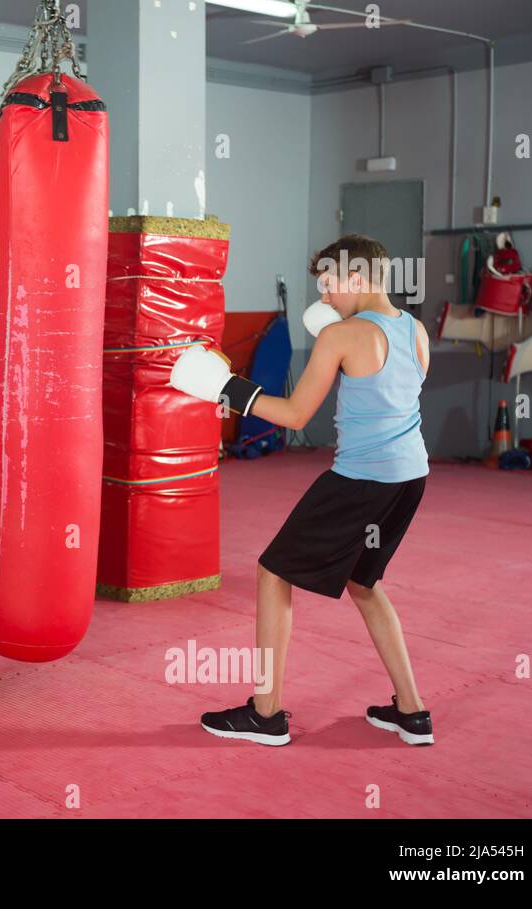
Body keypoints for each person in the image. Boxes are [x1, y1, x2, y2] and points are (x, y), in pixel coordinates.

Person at [169, 234, 433, 747]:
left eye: (329, 284)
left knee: (271, 573)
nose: (324, 297)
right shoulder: (416, 331)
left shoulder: (344, 336)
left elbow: (293, 415)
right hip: (409, 478)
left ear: (356, 279)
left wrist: (224, 388)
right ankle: (411, 710)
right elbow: (391, 396)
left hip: (361, 480)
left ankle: (265, 715)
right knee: (364, 583)